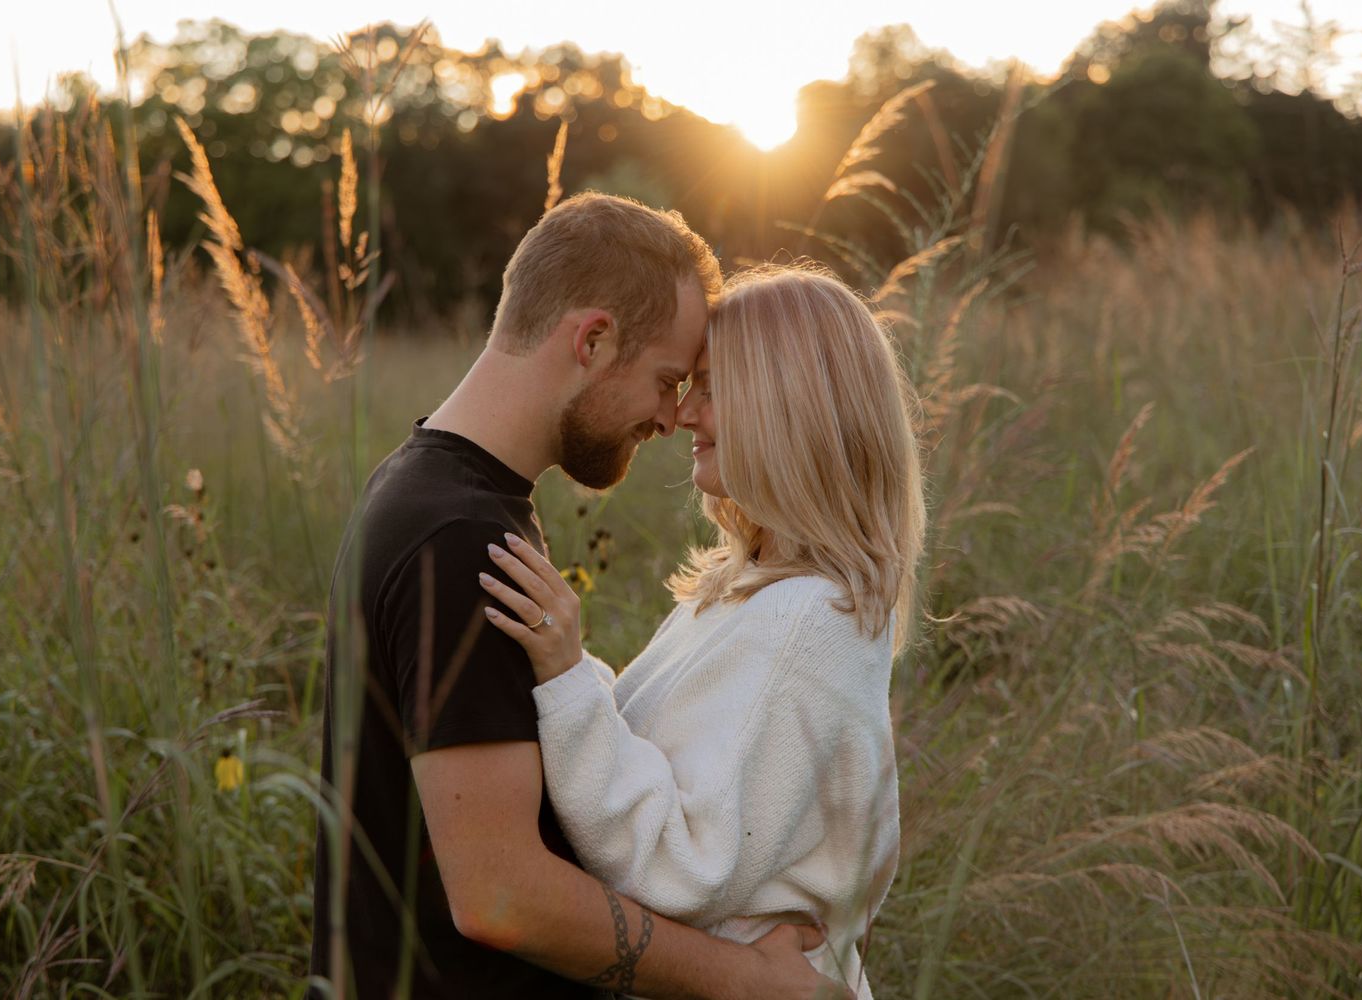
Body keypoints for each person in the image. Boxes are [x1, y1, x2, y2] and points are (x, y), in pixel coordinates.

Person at [307, 195, 850, 1000]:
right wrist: (744, 981)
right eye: (667, 381)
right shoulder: (459, 540)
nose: (672, 417)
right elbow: (500, 897)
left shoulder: (437, 490)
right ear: (592, 340)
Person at [478, 264, 925, 1000]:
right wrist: (567, 663)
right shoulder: (752, 593)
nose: (684, 414)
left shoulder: (809, 623)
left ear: (788, 405)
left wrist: (563, 674)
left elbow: (686, 867)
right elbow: (662, 761)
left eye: (712, 387)